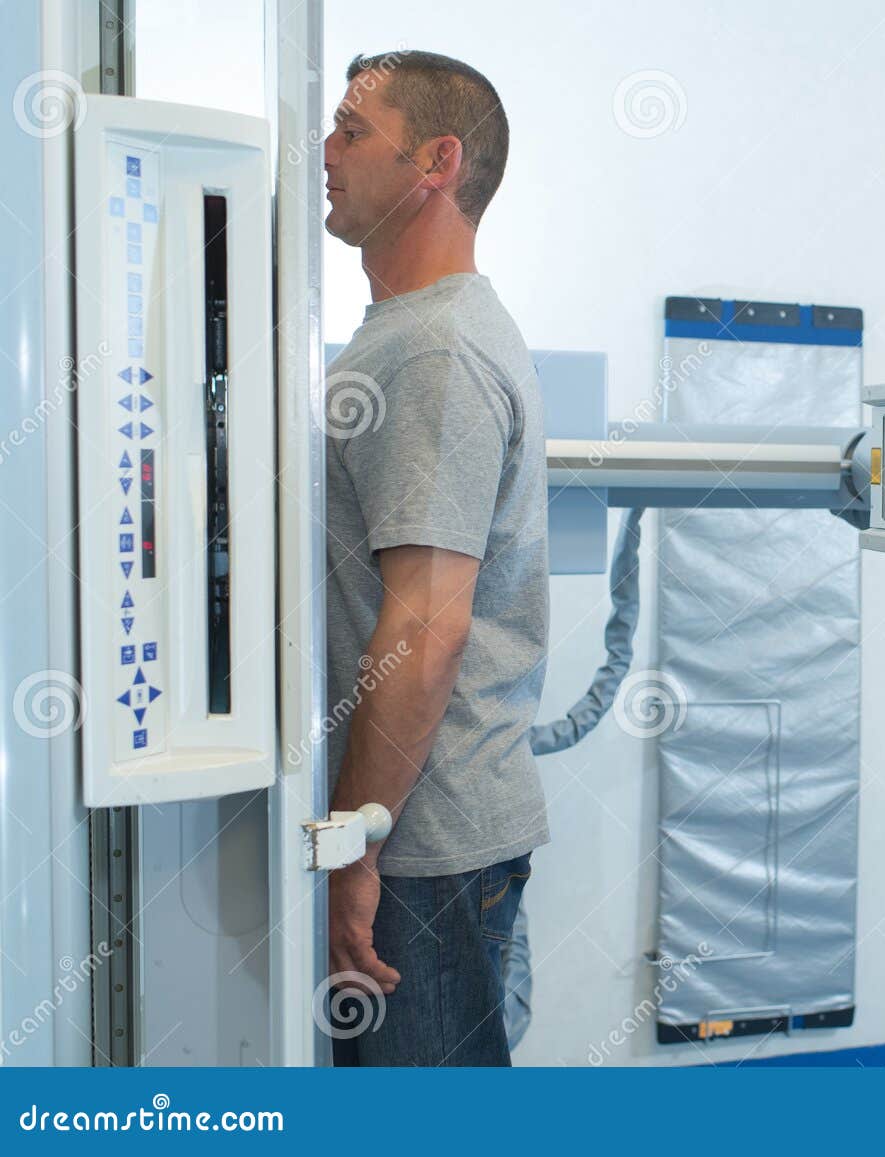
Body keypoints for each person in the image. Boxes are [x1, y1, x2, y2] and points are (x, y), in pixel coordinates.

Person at [320, 49, 547, 1066]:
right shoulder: (406, 333)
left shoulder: (432, 348)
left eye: (351, 130)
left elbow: (425, 627)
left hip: (420, 845)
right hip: (423, 832)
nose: (327, 153)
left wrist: (356, 841)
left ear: (436, 161)